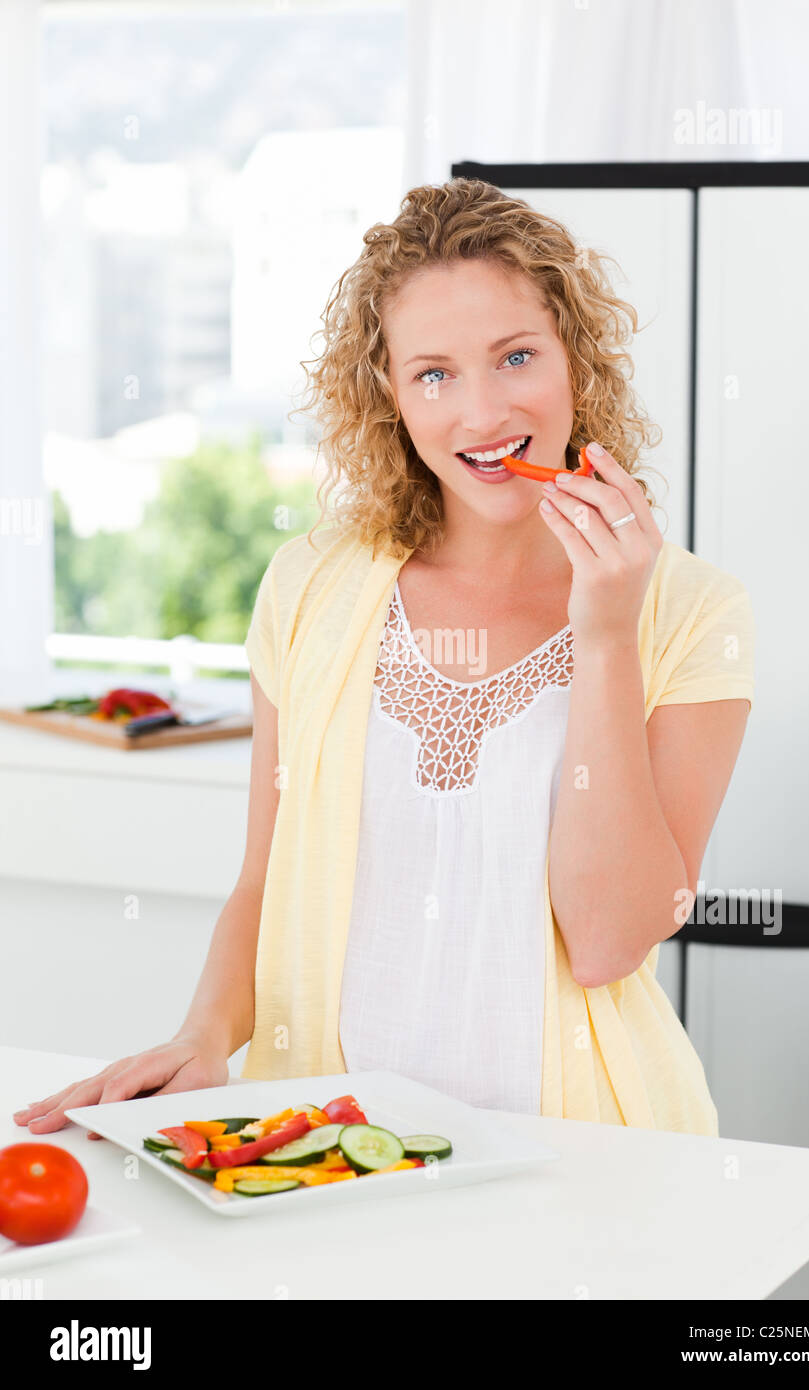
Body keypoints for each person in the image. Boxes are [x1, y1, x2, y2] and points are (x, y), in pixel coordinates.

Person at [14, 178, 754, 1139]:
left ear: (578, 359)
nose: (481, 413)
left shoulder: (691, 612)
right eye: (433, 374)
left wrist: (606, 634)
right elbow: (264, 879)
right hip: (331, 1148)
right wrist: (205, 1035)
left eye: (517, 357)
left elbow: (611, 939)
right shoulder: (310, 588)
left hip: (585, 1157)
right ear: (391, 398)